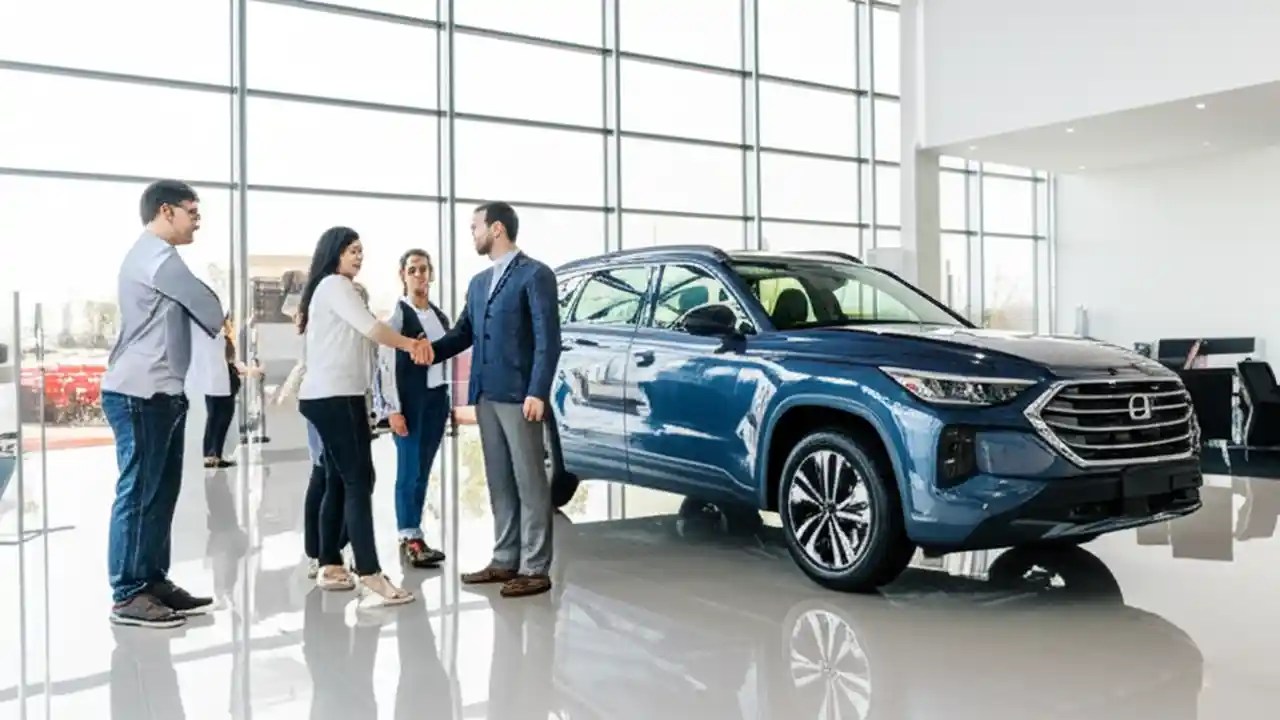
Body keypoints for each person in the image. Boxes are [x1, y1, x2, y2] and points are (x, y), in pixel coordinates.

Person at [101, 179, 225, 628]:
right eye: (192, 210)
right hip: (139, 392)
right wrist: (211, 302)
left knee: (161, 492)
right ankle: (128, 592)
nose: (198, 219)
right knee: (138, 493)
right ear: (165, 211)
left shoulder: (163, 258)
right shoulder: (155, 257)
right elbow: (211, 311)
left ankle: (152, 580)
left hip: (162, 392)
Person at [296, 226, 432, 607]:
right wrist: (411, 345)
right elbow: (373, 330)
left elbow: (365, 335)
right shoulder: (336, 285)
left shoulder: (331, 289)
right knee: (358, 480)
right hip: (336, 398)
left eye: (361, 251)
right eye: (352, 250)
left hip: (339, 396)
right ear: (335, 252)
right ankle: (370, 571)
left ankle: (329, 562)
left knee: (341, 479)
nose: (359, 256)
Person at [432, 202, 561, 598]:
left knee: (530, 481)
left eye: (475, 227)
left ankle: (535, 567)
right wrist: (428, 351)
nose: (472, 234)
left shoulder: (535, 275)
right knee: (500, 481)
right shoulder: (478, 283)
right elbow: (463, 333)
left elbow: (548, 339)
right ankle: (505, 560)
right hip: (486, 396)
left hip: (521, 395)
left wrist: (538, 390)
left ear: (497, 229)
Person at [376, 249, 451, 568]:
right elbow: (386, 366)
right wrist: (392, 409)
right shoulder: (397, 319)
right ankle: (409, 535)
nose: (419, 275)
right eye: (412, 270)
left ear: (431, 274)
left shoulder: (439, 316)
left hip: (436, 400)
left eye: (424, 269)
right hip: (410, 401)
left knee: (422, 470)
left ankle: (416, 533)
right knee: (408, 471)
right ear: (403, 276)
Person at [189, 314, 256, 468]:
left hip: (211, 385)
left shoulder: (205, 339)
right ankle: (216, 455)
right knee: (222, 421)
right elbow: (230, 361)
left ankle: (208, 455)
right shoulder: (222, 340)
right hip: (223, 386)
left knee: (212, 420)